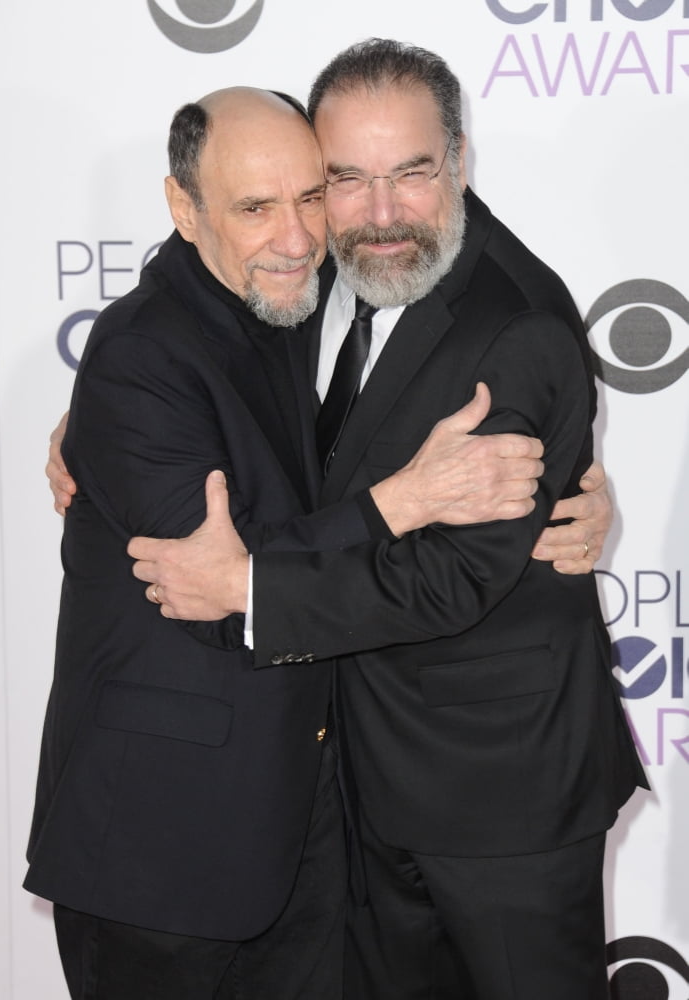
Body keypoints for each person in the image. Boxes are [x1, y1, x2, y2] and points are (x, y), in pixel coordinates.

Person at [127, 41, 646, 1000]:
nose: (377, 215)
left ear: (456, 160)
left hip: (500, 797)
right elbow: (205, 247)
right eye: (343, 181)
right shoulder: (316, 264)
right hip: (351, 786)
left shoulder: (514, 325)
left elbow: (451, 575)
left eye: (409, 173)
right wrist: (97, 411)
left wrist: (251, 592)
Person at [29, 86, 553, 1000]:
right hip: (163, 850)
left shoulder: (294, 300)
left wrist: (572, 468)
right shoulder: (140, 356)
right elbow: (218, 586)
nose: (298, 236)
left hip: (307, 836)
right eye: (255, 207)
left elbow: (423, 223)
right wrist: (400, 501)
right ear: (182, 208)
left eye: (313, 195)